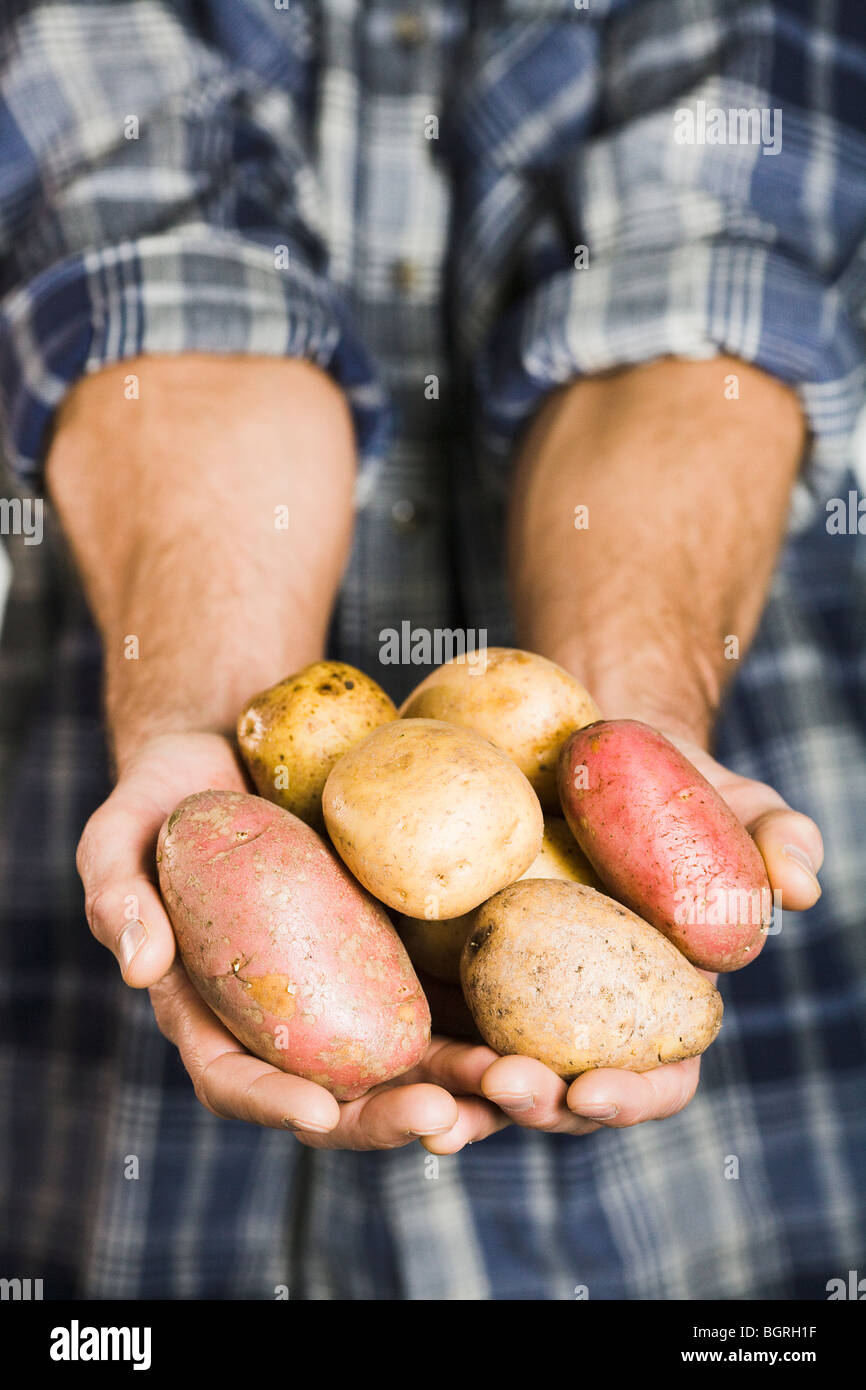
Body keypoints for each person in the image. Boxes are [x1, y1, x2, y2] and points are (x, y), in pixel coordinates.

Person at [0, 0, 863, 1300]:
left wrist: (625, 720)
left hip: (739, 1168)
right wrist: (193, 695)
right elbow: (159, 290)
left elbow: (696, 297)